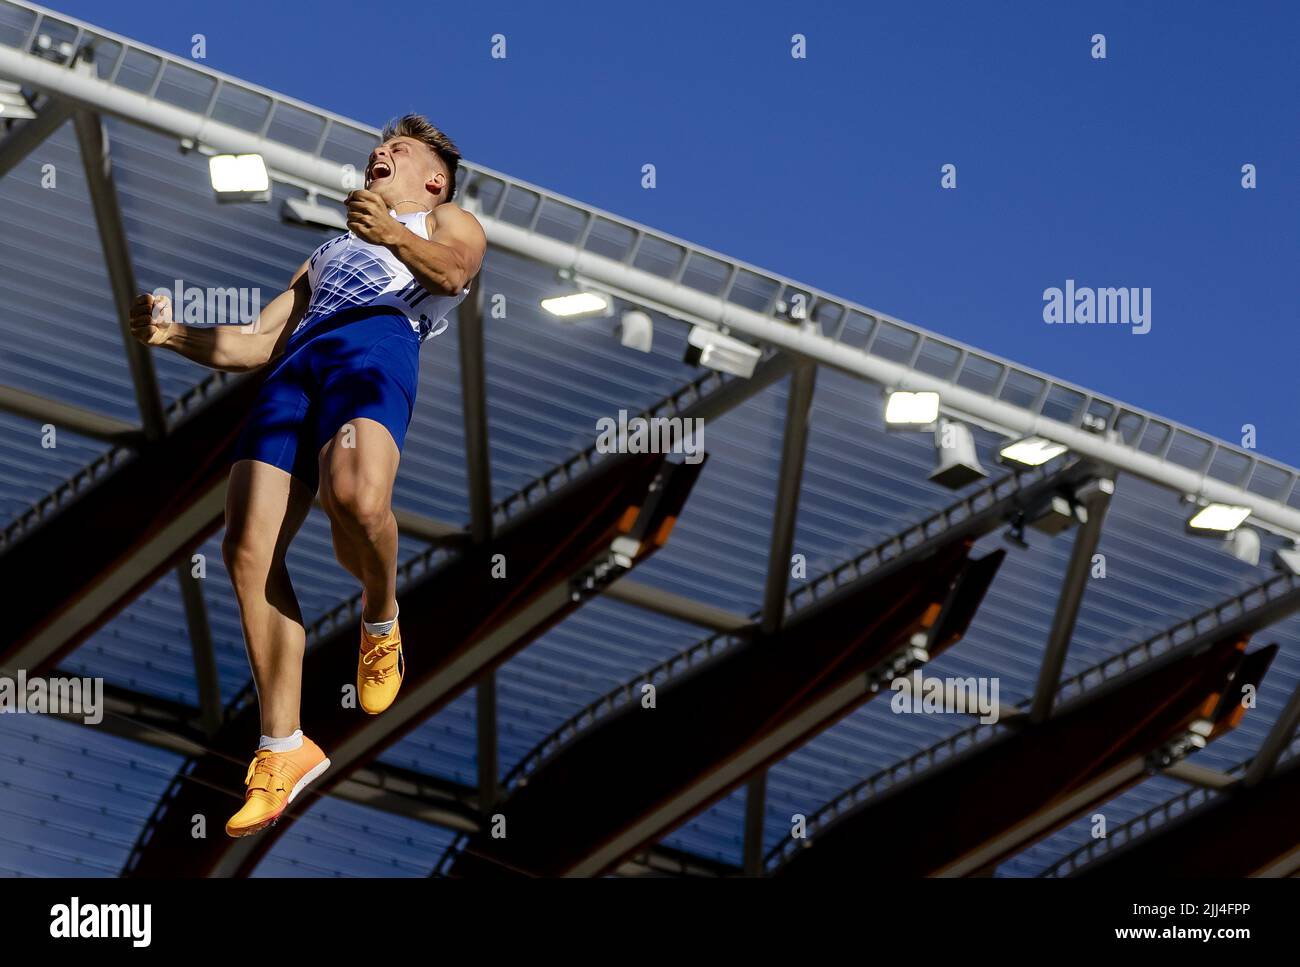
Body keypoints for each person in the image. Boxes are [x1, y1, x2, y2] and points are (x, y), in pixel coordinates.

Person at [128, 114, 487, 837]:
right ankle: (282, 746)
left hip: (376, 340)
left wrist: (393, 232)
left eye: (401, 148)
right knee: (246, 548)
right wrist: (171, 332)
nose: (381, 151)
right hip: (296, 370)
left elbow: (454, 271)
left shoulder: (446, 217)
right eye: (379, 147)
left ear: (433, 178)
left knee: (354, 495)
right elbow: (259, 341)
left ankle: (380, 618)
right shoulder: (326, 250)